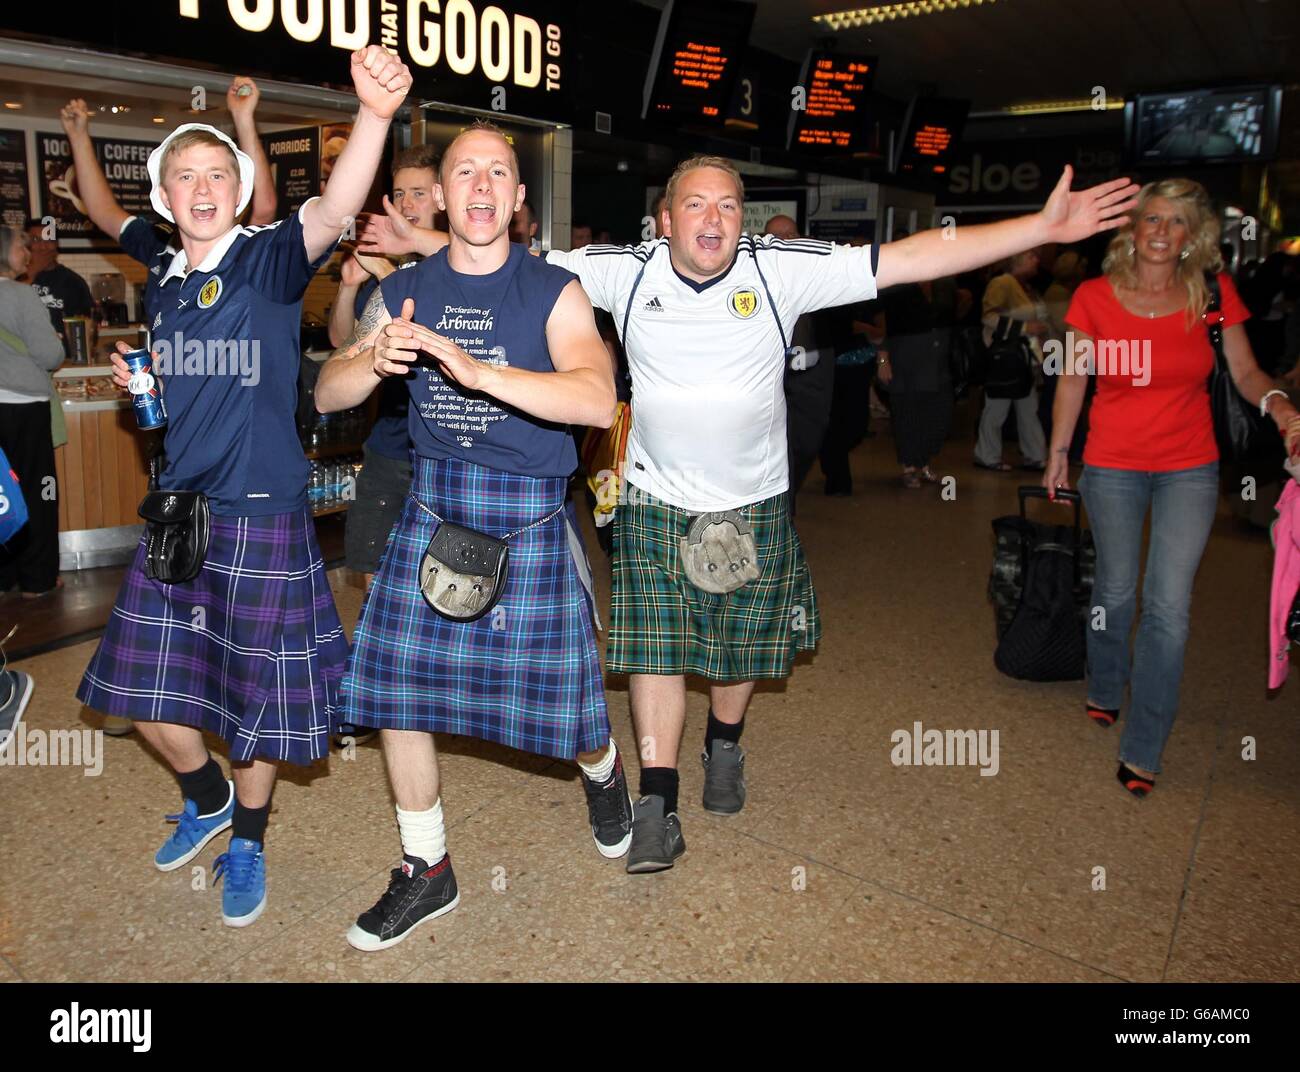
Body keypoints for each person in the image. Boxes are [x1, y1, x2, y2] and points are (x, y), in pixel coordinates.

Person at [351, 156, 1140, 872]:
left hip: (751, 500)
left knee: (733, 654)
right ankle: (657, 794)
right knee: (656, 646)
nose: (712, 220)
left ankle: (724, 741)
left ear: (744, 218)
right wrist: (420, 236)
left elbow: (910, 259)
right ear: (665, 220)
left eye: (728, 206)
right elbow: (499, 260)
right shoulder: (625, 270)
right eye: (695, 205)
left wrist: (1040, 226)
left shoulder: (781, 270)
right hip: (654, 496)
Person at [72, 46, 412, 928]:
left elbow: (337, 205)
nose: (203, 185)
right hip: (180, 516)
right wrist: (143, 388)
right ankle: (207, 793)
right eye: (185, 175)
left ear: (238, 182)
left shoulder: (263, 261)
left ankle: (250, 836)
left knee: (255, 700)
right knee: (136, 690)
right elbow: (172, 410)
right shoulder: (168, 285)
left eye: (218, 171)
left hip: (262, 516)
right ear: (166, 197)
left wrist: (372, 116)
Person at [316, 120, 623, 949]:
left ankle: (602, 769)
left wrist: (481, 373)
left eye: (498, 174)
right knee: (393, 688)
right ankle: (429, 869)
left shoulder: (554, 290)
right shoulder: (404, 286)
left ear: (519, 202)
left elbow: (597, 401)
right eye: (465, 173)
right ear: (443, 196)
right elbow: (327, 394)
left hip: (527, 512)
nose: (481, 186)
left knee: (573, 705)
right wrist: (373, 359)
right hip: (436, 507)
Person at [1043, 177, 1300, 797]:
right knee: (1116, 590)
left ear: (1193, 236)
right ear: (1131, 230)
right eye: (1151, 220)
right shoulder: (1094, 297)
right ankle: (1106, 682)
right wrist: (1057, 454)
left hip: (1190, 466)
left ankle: (1144, 745)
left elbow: (1243, 371)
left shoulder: (1212, 295)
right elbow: (1074, 381)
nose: (1161, 232)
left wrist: (1283, 408)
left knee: (1168, 608)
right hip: (1112, 465)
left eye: (1175, 222)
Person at [0, 225, 65, 599]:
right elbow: (50, 355)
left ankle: (2, 576)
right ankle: (37, 580)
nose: (27, 253)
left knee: (0, 491)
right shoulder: (22, 296)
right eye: (21, 247)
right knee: (38, 493)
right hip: (25, 409)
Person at [764, 214, 837, 506]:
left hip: (812, 370)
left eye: (790, 234)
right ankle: (784, 505)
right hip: (770, 373)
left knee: (808, 440)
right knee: (775, 444)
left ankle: (789, 491)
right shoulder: (753, 275)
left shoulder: (818, 272)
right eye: (777, 236)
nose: (785, 241)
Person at [872, 266, 962, 489]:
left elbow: (953, 318)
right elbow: (886, 325)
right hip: (906, 358)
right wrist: (883, 360)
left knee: (940, 414)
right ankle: (910, 466)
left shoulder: (944, 285)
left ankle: (924, 460)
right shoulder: (899, 287)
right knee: (908, 414)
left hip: (939, 359)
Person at [974, 249, 1051, 472]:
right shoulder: (1002, 283)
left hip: (1025, 355)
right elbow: (988, 317)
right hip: (1006, 358)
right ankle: (987, 454)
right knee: (998, 407)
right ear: (1016, 260)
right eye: (1030, 256)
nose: (1036, 259)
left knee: (1028, 407)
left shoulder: (1026, 286)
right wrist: (1024, 328)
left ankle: (1035, 455)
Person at [22, 217, 93, 339]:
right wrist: (32, 271)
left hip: (62, 354)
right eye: (35, 240)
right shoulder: (16, 278)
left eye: (49, 240)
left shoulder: (73, 282)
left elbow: (84, 327)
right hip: (22, 354)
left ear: (56, 244)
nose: (43, 247)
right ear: (26, 245)